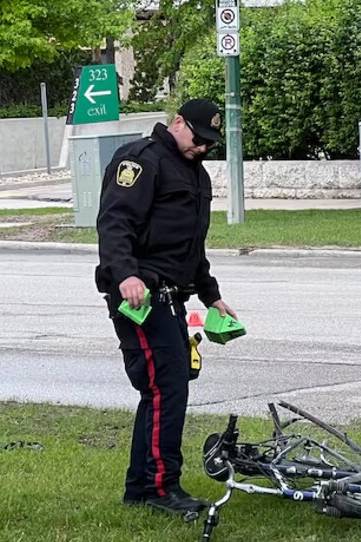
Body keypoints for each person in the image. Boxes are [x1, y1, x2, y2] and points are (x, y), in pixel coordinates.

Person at [95, 98, 239, 518]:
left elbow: (192, 247)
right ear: (178, 123)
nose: (203, 148)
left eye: (211, 143)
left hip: (174, 296)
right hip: (140, 295)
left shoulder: (194, 173)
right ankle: (161, 487)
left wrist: (211, 294)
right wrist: (125, 274)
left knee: (162, 390)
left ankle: (141, 487)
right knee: (166, 390)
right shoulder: (140, 161)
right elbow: (114, 222)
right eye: (198, 138)